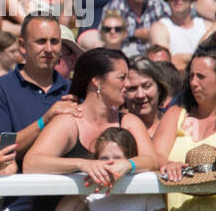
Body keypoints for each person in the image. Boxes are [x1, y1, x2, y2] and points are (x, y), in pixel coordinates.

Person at [0, 12, 83, 211]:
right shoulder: (0, 88)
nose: (49, 49)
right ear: (22, 46)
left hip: (73, 210)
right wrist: (44, 120)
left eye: (54, 42)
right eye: (40, 41)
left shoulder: (75, 91)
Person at [24, 47, 158, 184]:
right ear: (98, 81)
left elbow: (152, 160)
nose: (128, 84)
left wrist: (129, 165)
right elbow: (31, 163)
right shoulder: (69, 121)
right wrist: (82, 164)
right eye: (122, 78)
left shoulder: (128, 121)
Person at [154, 43, 216, 211]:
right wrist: (167, 164)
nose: (193, 82)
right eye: (192, 76)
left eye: (201, 76)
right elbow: (156, 155)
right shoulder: (175, 115)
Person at [55, 127, 167, 211]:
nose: (110, 164)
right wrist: (86, 190)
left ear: (129, 158)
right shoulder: (94, 189)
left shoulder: (143, 185)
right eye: (104, 158)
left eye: (117, 158)